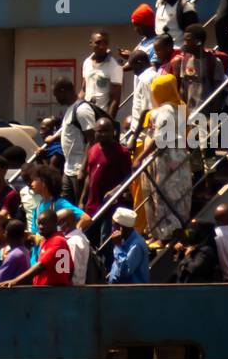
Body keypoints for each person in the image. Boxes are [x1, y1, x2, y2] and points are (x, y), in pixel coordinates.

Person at [139, 74, 192, 243]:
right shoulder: (181, 108)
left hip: (166, 159)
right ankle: (170, 232)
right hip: (179, 158)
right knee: (177, 196)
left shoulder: (165, 111)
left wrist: (139, 158)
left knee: (163, 196)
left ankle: (164, 235)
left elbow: (159, 139)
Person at [47, 78, 95, 202]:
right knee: (66, 207)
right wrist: (54, 138)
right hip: (68, 169)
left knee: (81, 206)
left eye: (56, 94)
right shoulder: (70, 109)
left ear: (64, 91)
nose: (56, 99)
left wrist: (83, 169)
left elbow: (92, 140)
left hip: (79, 169)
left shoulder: (82, 109)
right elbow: (69, 131)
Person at [0, 209, 72, 288]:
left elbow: (41, 266)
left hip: (51, 291)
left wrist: (15, 281)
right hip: (49, 291)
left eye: (44, 223)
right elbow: (71, 269)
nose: (40, 227)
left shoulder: (57, 240)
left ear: (54, 223)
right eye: (39, 224)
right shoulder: (50, 240)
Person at [81, 116, 134, 218]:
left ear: (113, 132)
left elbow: (129, 178)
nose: (103, 134)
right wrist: (82, 201)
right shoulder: (92, 150)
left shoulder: (122, 152)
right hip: (93, 206)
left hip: (112, 205)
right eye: (100, 131)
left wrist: (114, 192)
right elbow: (89, 177)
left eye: (106, 131)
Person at [106, 207, 150, 285]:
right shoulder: (125, 240)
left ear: (120, 228)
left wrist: (118, 246)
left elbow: (124, 270)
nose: (112, 229)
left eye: (114, 226)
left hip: (131, 293)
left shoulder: (137, 245)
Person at [56, 207, 91, 285]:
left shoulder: (73, 242)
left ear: (66, 224)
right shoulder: (78, 237)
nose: (56, 227)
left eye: (57, 224)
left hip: (73, 290)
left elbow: (73, 270)